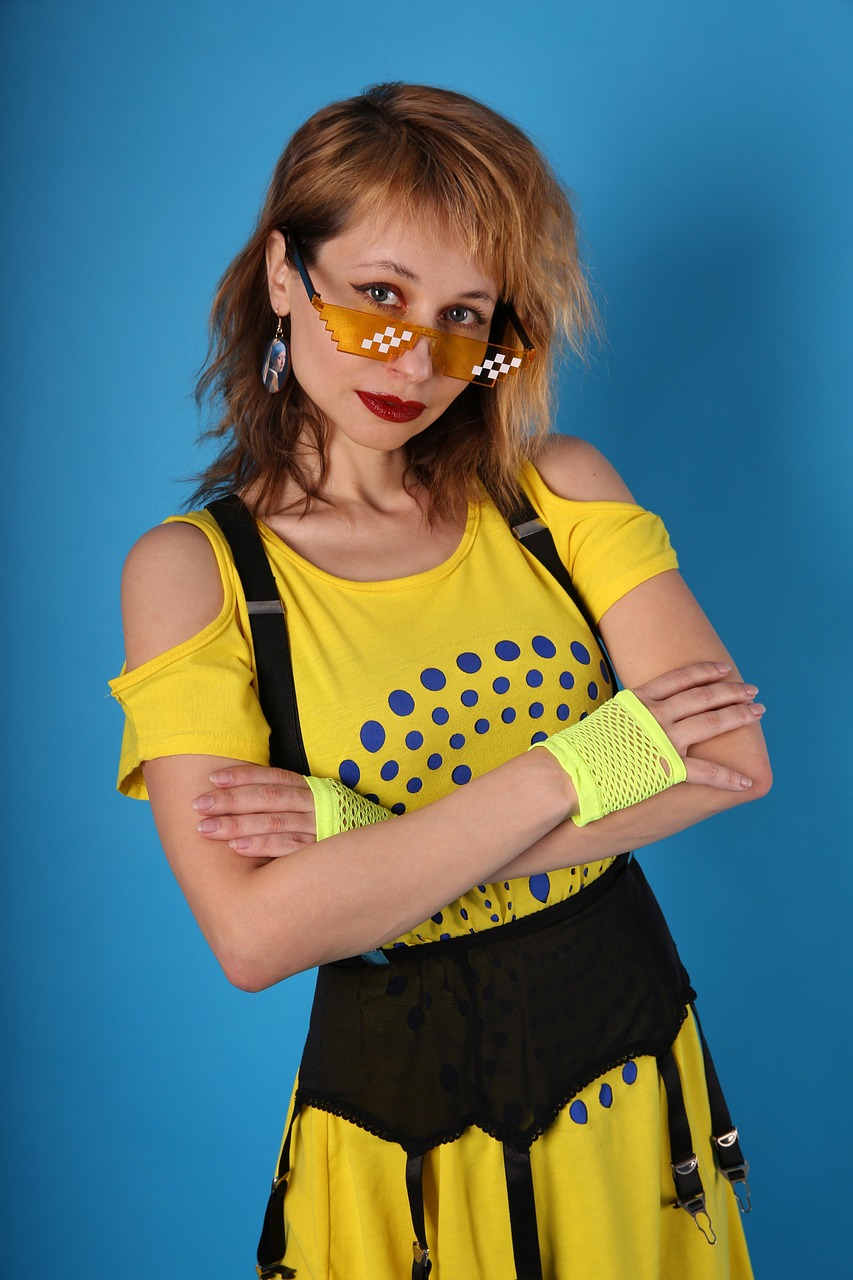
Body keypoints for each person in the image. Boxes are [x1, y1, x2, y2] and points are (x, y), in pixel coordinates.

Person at [110, 83, 771, 1280]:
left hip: (627, 1077)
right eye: (378, 296)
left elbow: (729, 759)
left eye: (465, 316)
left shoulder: (555, 492)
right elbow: (255, 935)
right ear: (281, 274)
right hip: (395, 1136)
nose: (417, 358)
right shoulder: (194, 575)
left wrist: (362, 845)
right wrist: (586, 757)